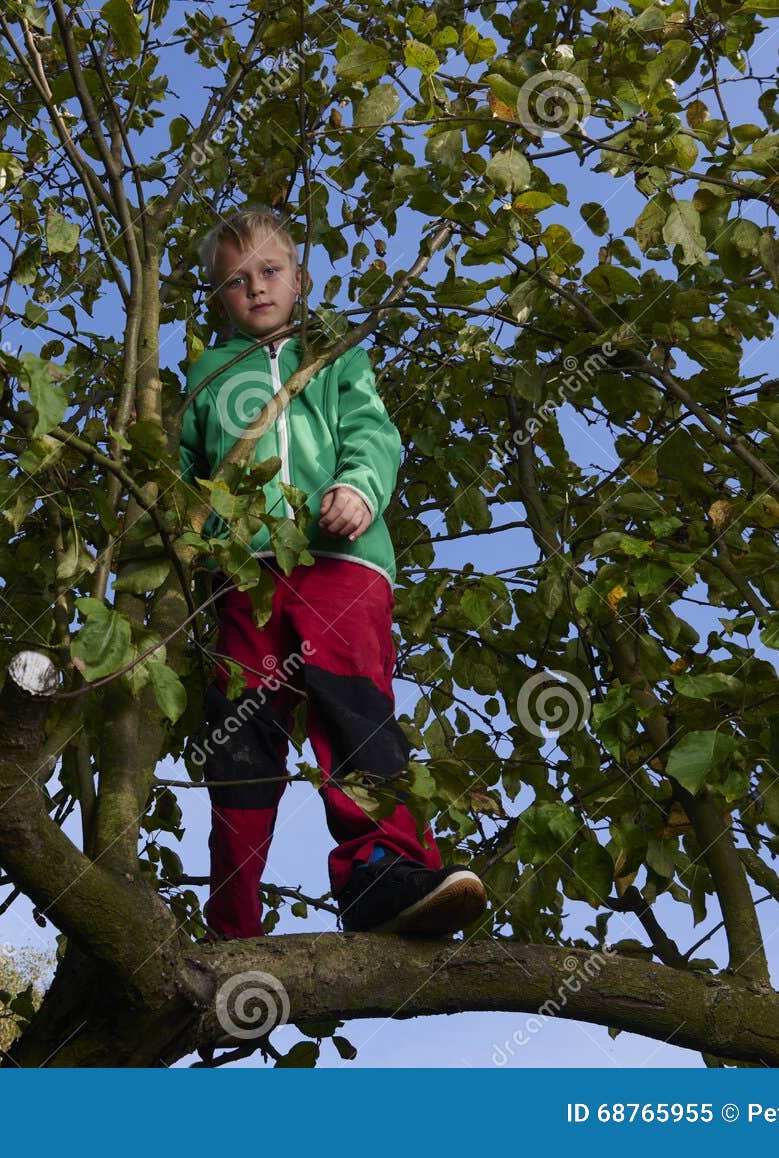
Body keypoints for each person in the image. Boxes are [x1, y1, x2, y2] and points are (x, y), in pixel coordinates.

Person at [178, 206, 488, 941]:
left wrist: (357, 484)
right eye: (235, 281)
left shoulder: (336, 353)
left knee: (354, 710)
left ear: (301, 277)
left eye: (271, 271)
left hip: (337, 563)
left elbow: (372, 431)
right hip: (243, 579)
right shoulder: (206, 373)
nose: (256, 288)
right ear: (218, 298)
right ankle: (231, 926)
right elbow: (181, 476)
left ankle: (383, 866)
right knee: (239, 744)